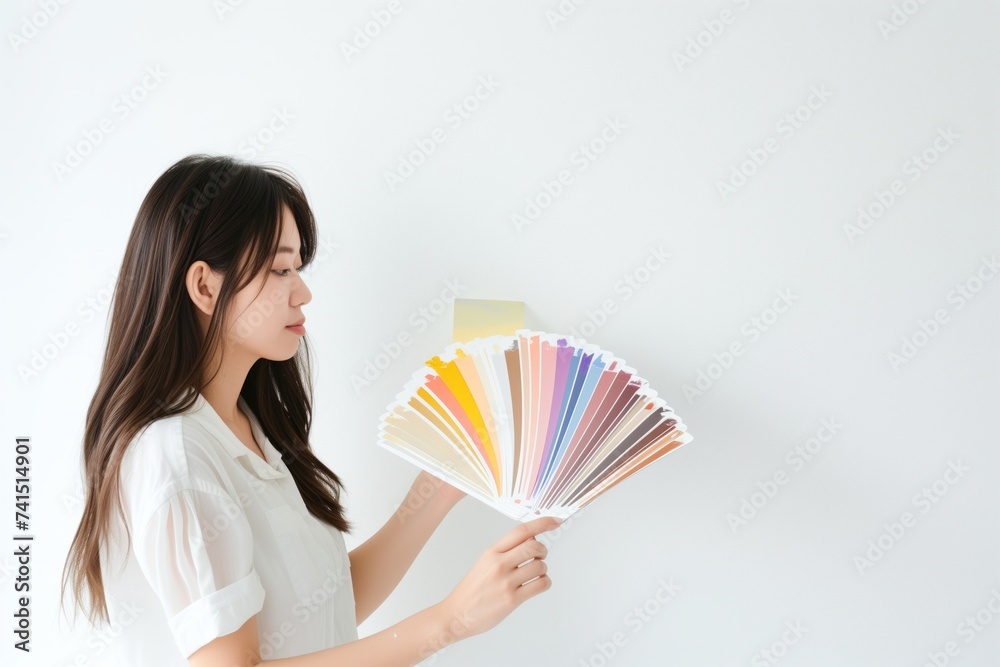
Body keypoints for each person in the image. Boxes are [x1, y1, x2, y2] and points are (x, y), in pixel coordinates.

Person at [59, 154, 561, 666]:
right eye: (280, 269)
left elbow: (324, 610)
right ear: (205, 287)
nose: (303, 292)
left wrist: (436, 490)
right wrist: (450, 620)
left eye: (297, 268)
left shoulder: (244, 429)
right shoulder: (177, 455)